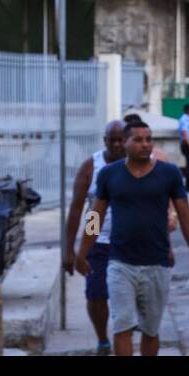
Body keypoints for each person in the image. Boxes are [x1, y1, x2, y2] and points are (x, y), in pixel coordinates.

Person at [76, 120, 189, 356]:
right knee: (122, 325)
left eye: (148, 139)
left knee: (150, 329)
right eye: (138, 140)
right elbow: (96, 215)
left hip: (156, 263)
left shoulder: (169, 173)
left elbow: (185, 214)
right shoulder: (109, 175)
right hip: (120, 263)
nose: (145, 145)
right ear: (125, 143)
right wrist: (82, 252)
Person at [62, 119, 126, 354]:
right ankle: (102, 338)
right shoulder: (91, 167)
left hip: (130, 242)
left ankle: (124, 335)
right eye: (113, 140)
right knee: (96, 292)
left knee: (128, 295)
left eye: (121, 139)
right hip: (97, 240)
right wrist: (71, 249)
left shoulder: (139, 165)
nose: (117, 145)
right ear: (105, 141)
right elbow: (79, 209)